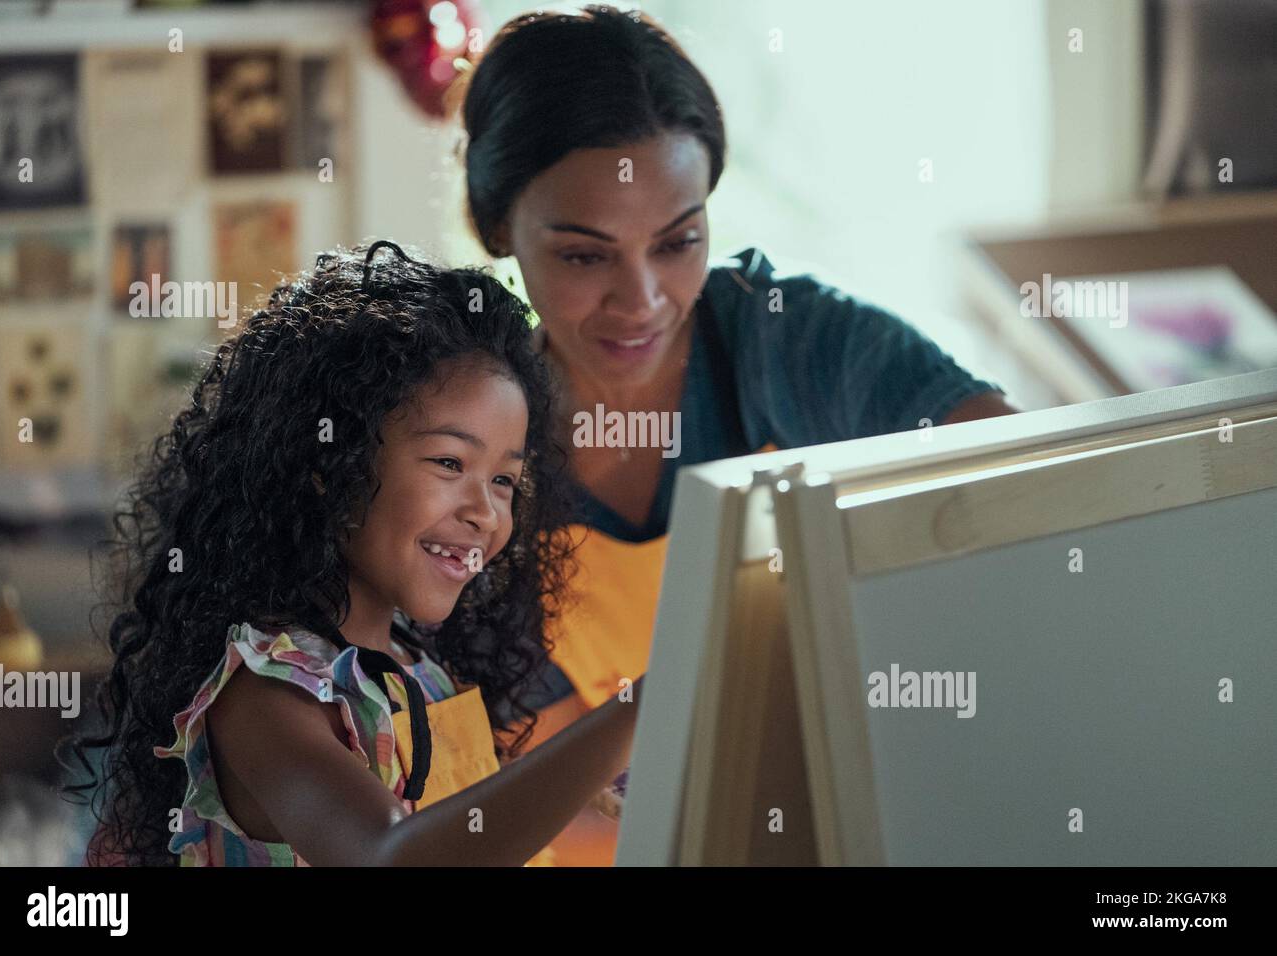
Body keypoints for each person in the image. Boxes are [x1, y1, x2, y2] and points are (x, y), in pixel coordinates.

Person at [458, 5, 1018, 863]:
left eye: (678, 241)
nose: (642, 300)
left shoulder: (794, 344)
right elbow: (566, 806)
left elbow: (1021, 492)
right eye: (584, 255)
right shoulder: (472, 454)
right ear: (500, 227)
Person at [60, 242, 639, 866]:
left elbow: (484, 828)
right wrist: (634, 713)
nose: (486, 512)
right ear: (329, 466)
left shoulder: (421, 670)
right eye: (450, 463)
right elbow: (391, 857)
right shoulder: (267, 696)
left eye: (504, 479)